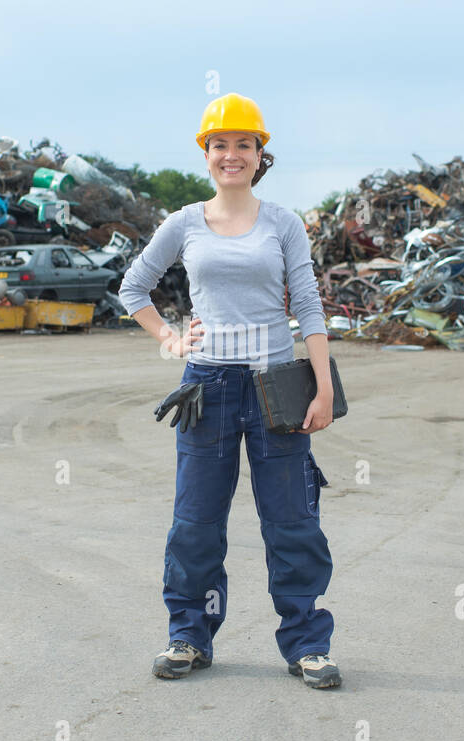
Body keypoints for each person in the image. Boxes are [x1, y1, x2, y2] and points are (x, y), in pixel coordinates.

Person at [117, 92, 341, 689]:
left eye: (245, 144)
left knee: (293, 522)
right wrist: (170, 338)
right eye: (220, 145)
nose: (232, 154)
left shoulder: (284, 224)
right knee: (195, 523)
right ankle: (188, 636)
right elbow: (133, 288)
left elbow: (310, 306)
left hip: (278, 390)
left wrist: (322, 387)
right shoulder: (185, 222)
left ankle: (306, 644)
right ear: (206, 154)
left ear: (261, 153)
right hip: (207, 389)